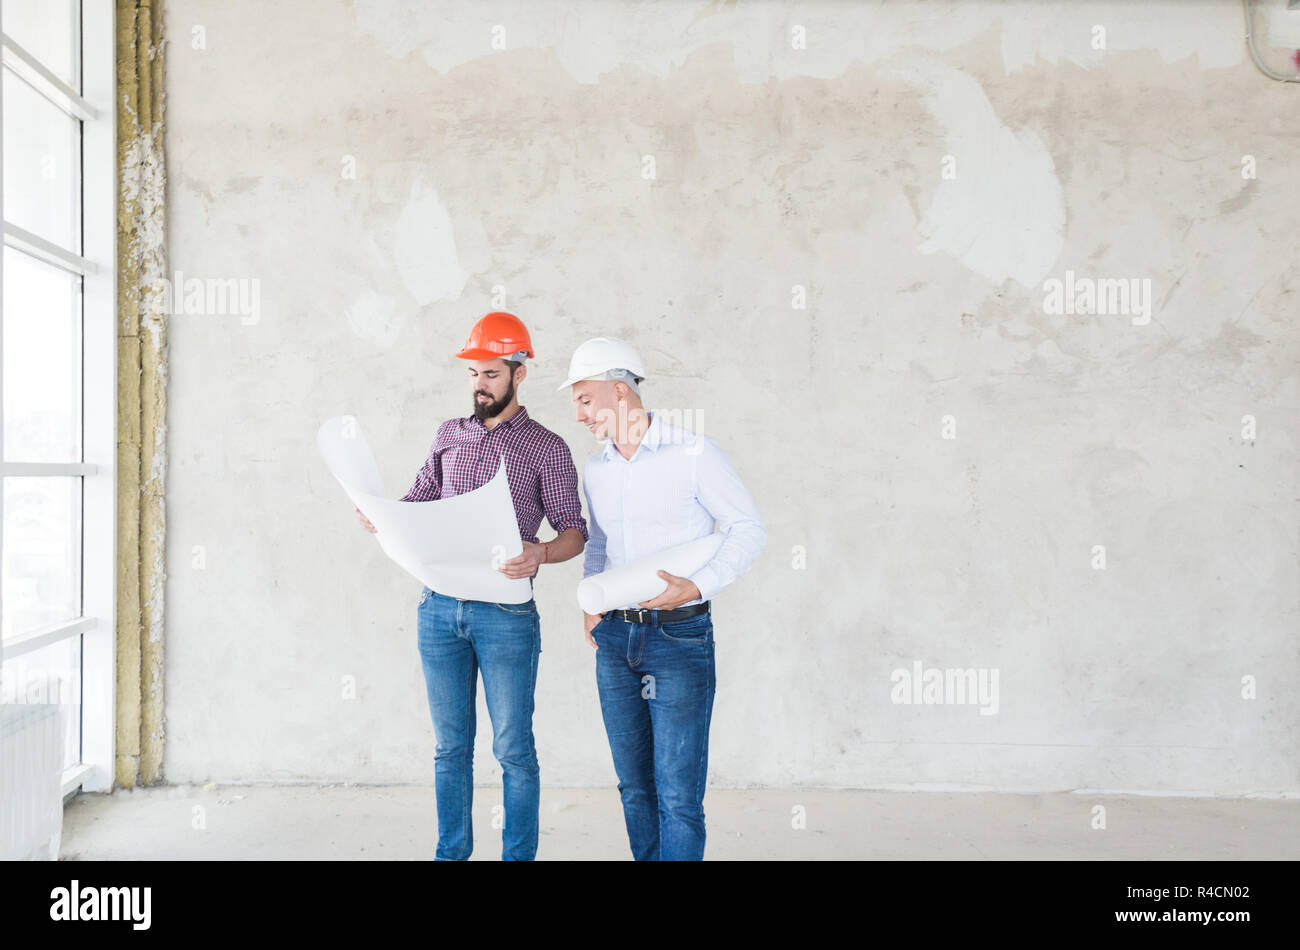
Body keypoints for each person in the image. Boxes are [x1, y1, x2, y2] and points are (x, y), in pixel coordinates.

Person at [358, 311, 587, 860]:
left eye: (491, 373)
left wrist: (540, 553)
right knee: (450, 749)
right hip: (439, 611)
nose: (480, 384)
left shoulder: (546, 447)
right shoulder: (448, 435)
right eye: (473, 374)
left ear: (518, 373)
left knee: (512, 749)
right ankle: (451, 854)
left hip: (505, 617)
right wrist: (381, 515)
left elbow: (575, 534)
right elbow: (419, 501)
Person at [559, 337, 765, 860]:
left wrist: (698, 585)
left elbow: (747, 529)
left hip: (679, 636)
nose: (579, 414)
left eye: (585, 399)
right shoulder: (597, 469)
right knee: (635, 788)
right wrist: (592, 603)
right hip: (616, 638)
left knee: (678, 796)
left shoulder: (695, 453)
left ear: (620, 390)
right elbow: (601, 543)